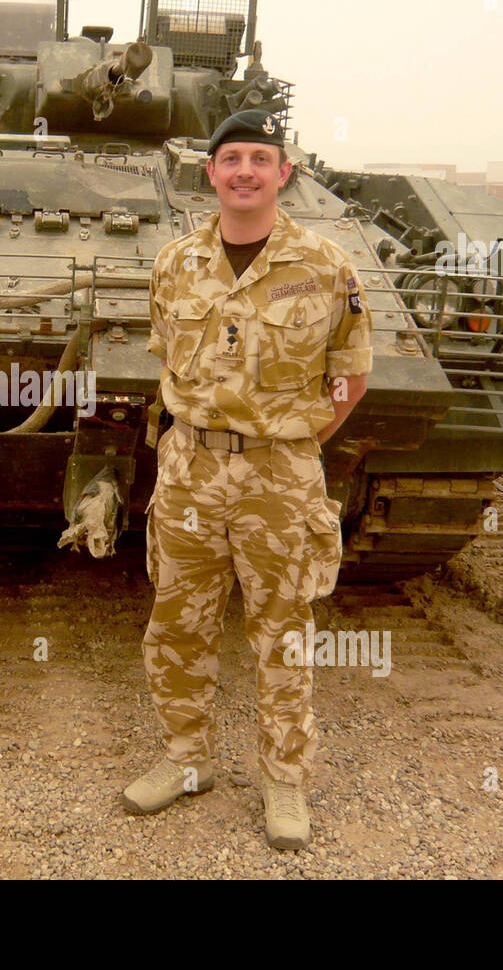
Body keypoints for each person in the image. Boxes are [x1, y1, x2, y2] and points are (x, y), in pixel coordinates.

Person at [122, 108, 373, 850]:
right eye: (231, 158)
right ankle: (185, 758)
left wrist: (284, 444)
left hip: (279, 477)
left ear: (282, 173)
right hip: (190, 472)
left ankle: (285, 780)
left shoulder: (327, 267)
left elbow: (350, 380)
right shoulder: (175, 263)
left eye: (260, 159)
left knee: (284, 632)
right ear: (211, 172)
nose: (244, 172)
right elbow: (168, 355)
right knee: (177, 623)